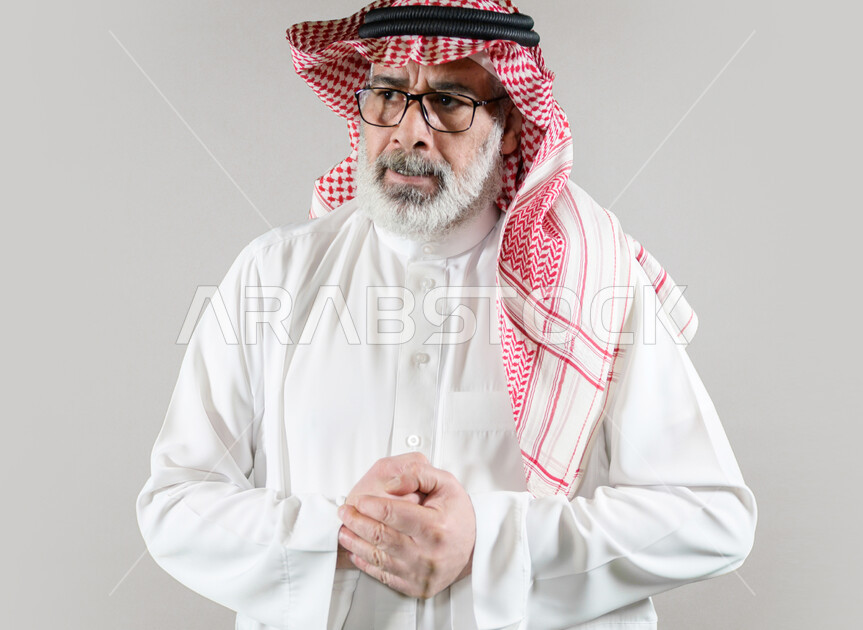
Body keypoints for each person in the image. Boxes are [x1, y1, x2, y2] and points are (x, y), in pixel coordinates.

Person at [136, 1, 757, 628]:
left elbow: (713, 519)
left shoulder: (596, 282)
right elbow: (175, 503)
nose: (409, 132)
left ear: (510, 125)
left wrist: (490, 541)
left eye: (449, 101)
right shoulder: (274, 275)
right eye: (388, 94)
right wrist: (342, 534)